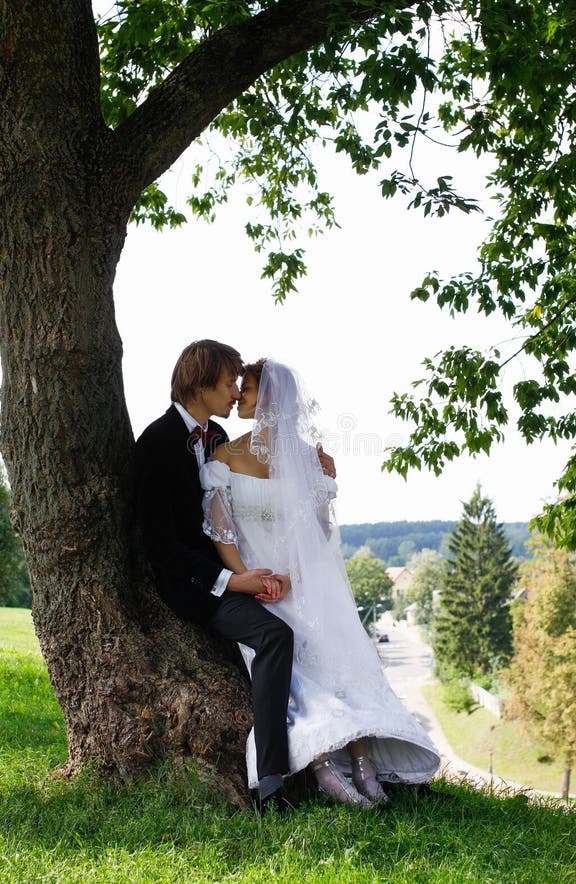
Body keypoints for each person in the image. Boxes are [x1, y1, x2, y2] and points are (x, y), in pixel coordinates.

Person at [200, 359, 441, 808]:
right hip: (257, 586)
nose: (238, 397)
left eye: (246, 390)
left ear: (270, 399)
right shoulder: (224, 457)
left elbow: (318, 530)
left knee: (336, 649)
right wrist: (249, 580)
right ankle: (324, 764)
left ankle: (365, 764)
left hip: (300, 579)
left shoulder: (309, 458)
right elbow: (222, 531)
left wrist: (293, 575)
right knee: (295, 662)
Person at [134, 340, 334, 814]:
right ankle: (271, 784)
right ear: (200, 385)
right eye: (228, 383)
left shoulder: (218, 435)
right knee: (275, 636)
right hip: (196, 587)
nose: (235, 393)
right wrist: (231, 581)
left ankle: (359, 761)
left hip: (242, 572)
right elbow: (160, 549)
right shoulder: (156, 445)